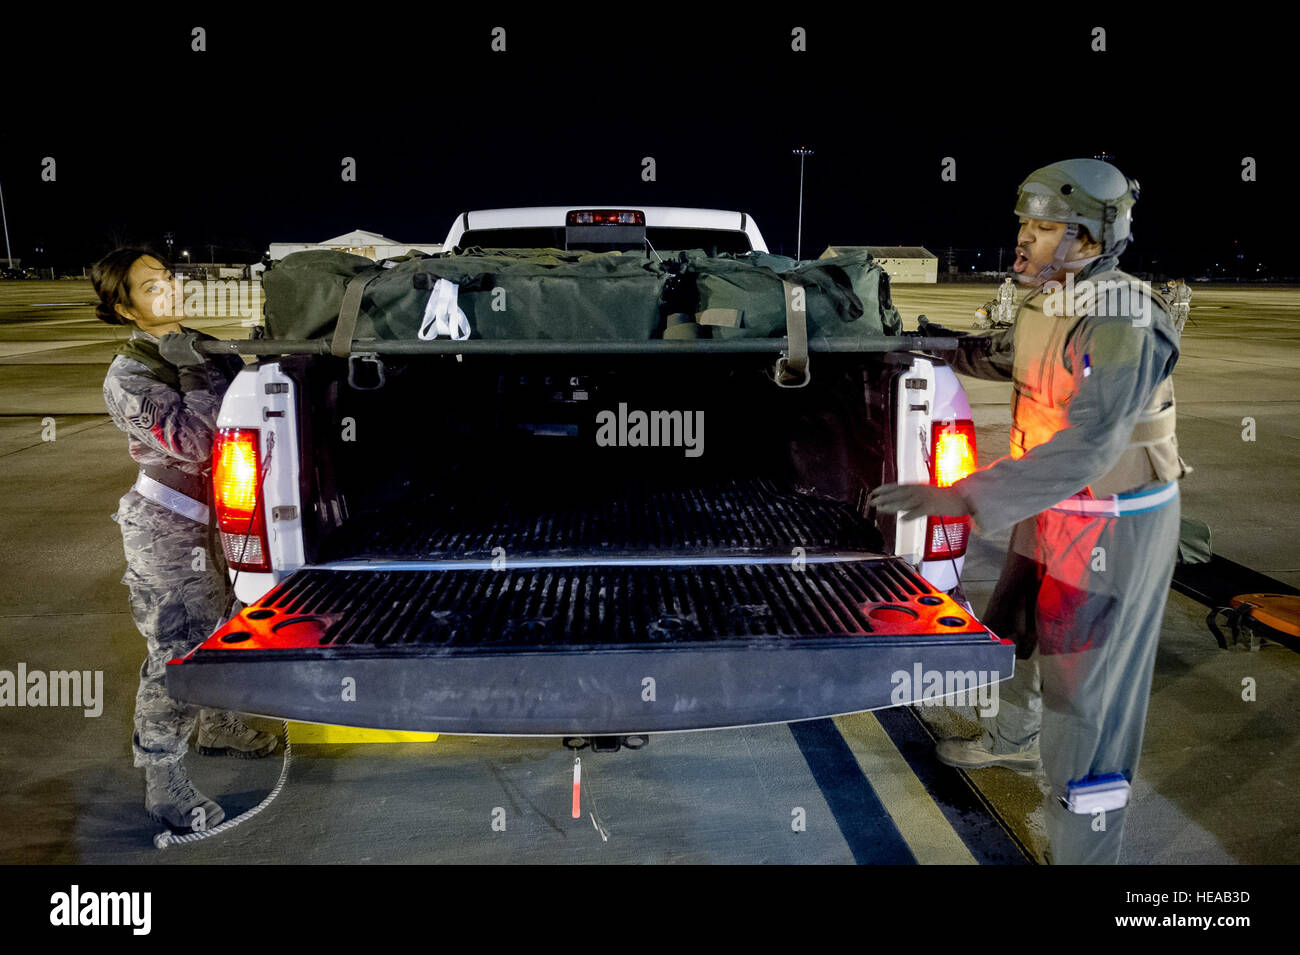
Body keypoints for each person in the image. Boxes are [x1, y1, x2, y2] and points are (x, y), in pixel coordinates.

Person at [869, 159, 1190, 864]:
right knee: (1014, 623)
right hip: (1049, 507)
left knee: (1087, 696)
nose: (1024, 242)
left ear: (1090, 238)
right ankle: (1012, 742)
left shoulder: (1125, 316)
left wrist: (964, 495)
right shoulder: (1053, 298)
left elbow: (1089, 443)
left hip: (1112, 519)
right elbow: (1003, 357)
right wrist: (917, 342)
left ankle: (1087, 849)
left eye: (1044, 228)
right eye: (1024, 225)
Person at [94, 248, 277, 832]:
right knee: (175, 654)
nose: (168, 288)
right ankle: (163, 781)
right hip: (168, 530)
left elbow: (248, 414)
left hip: (222, 522)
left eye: (168, 277)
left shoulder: (199, 343)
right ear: (124, 308)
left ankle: (219, 726)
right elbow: (200, 441)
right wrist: (197, 371)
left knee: (225, 629)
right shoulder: (130, 376)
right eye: (150, 287)